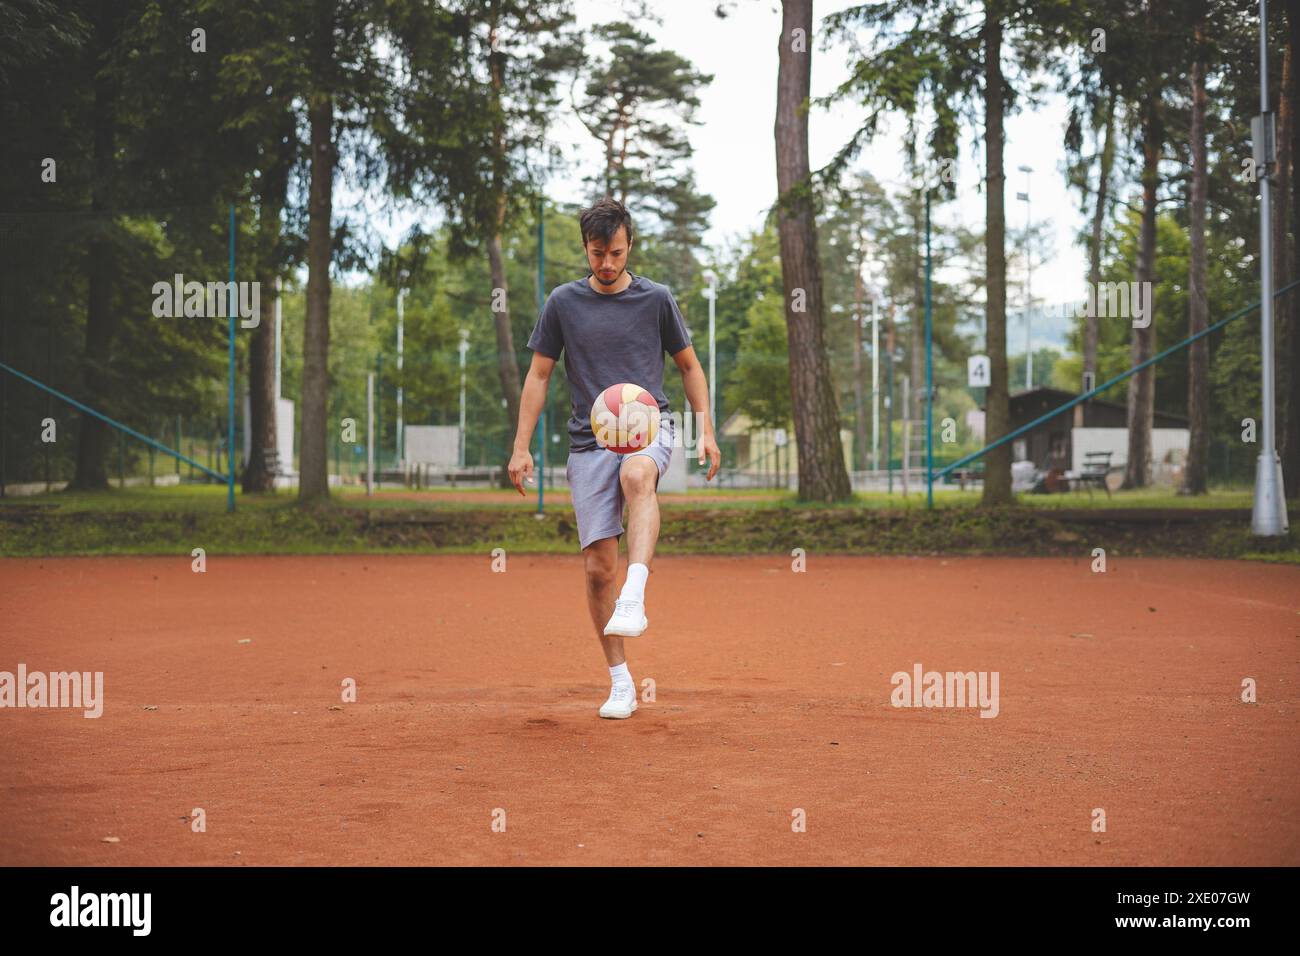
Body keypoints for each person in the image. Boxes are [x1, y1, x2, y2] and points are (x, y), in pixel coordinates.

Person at [508, 197, 721, 719]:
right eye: (598, 252)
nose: (607, 263)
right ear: (585, 247)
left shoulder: (657, 300)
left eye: (617, 253)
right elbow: (538, 375)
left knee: (638, 473)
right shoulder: (563, 302)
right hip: (588, 441)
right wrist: (520, 445)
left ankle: (637, 590)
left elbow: (690, 367)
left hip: (650, 427)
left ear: (630, 247)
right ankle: (621, 681)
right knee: (598, 569)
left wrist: (706, 431)